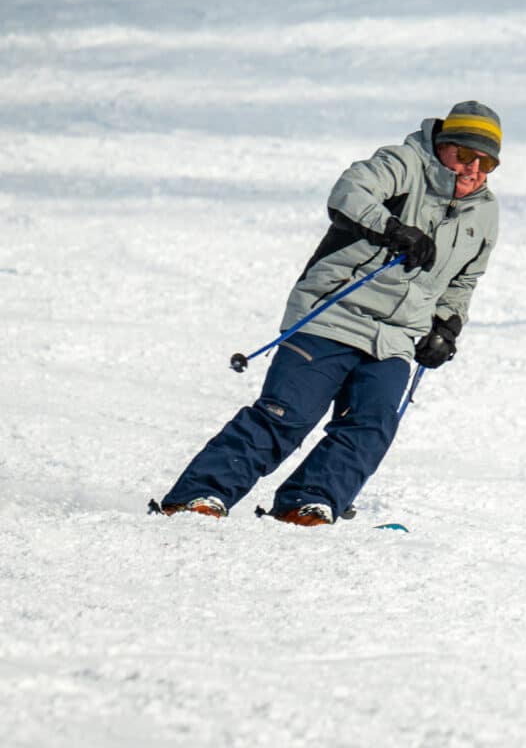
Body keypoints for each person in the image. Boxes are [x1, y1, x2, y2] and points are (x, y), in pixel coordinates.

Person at [154, 101, 503, 525]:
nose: (474, 169)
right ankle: (199, 495)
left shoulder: (483, 213)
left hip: (394, 337)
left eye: (488, 163)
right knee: (286, 416)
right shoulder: (404, 164)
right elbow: (348, 192)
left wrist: (447, 326)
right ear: (443, 145)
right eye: (465, 155)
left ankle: (307, 503)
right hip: (333, 315)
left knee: (371, 427)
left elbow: (464, 280)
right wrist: (392, 229)